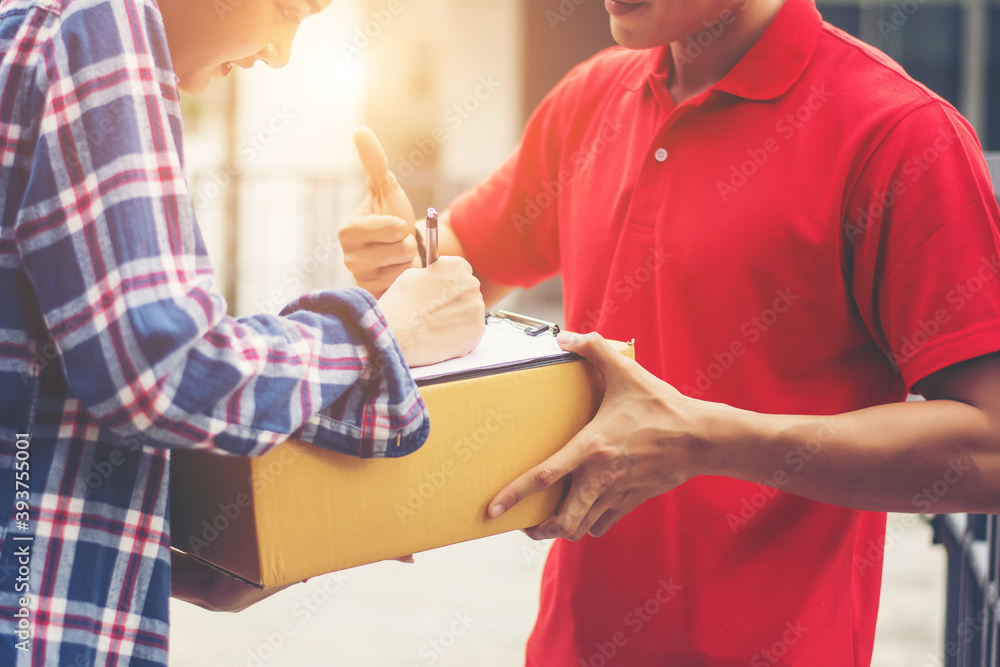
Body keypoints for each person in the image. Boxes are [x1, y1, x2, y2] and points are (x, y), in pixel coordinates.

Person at [339, 0, 1000, 664]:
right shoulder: (592, 96)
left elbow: (991, 447)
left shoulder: (899, 134)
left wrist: (705, 441)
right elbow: (461, 272)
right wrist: (404, 263)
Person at [0, 0, 485, 664]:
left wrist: (171, 555)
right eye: (288, 9)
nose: (280, 54)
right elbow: (163, 370)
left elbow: (41, 393)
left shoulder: (23, 33)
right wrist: (384, 333)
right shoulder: (101, 26)